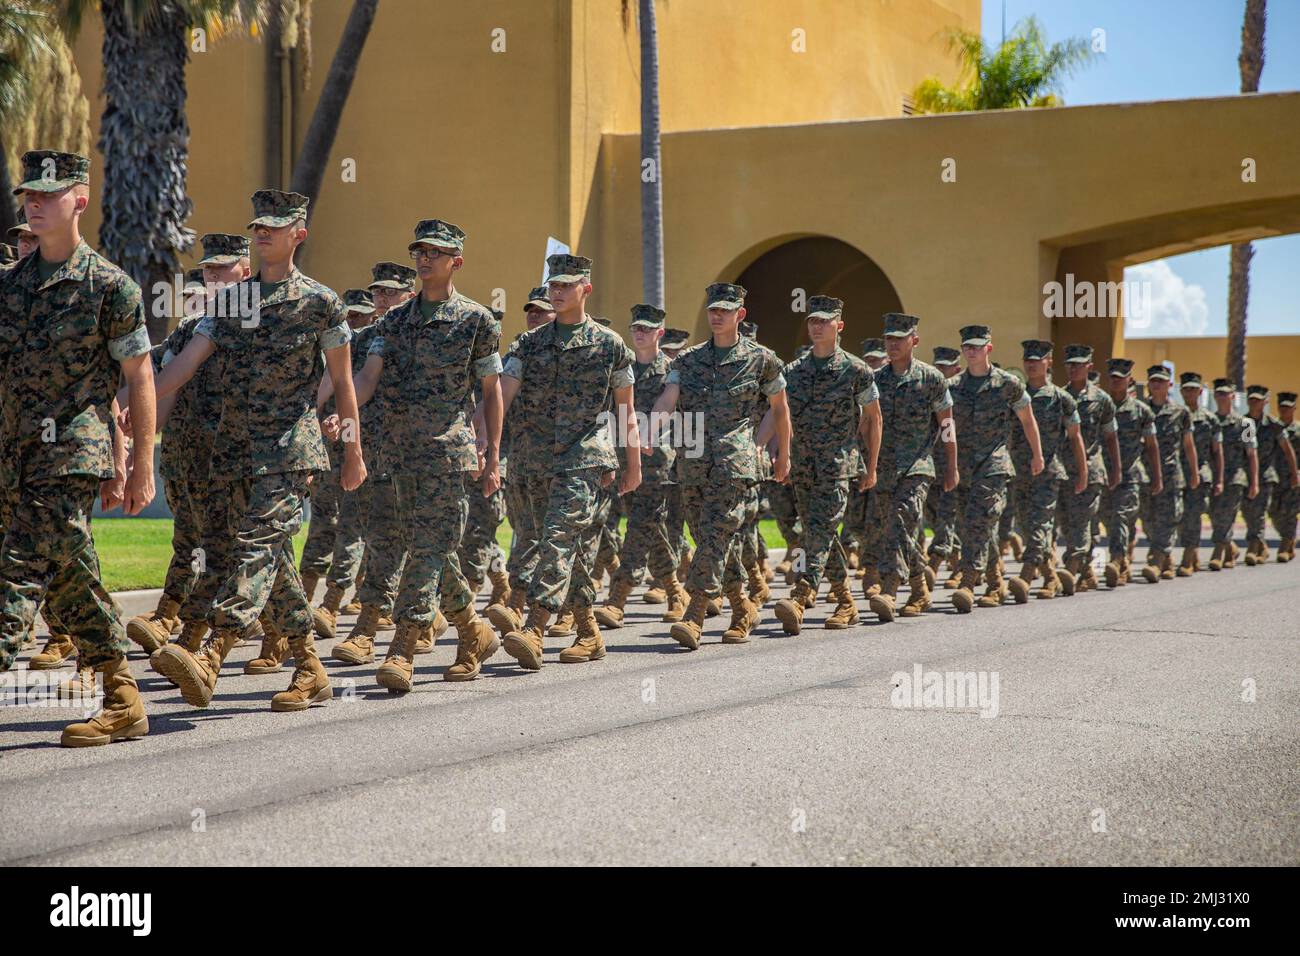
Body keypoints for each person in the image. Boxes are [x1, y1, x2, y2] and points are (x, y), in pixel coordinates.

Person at [148, 189, 365, 712]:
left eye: (273, 226)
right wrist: (141, 401)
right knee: (272, 561)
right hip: (234, 452)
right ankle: (310, 668)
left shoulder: (320, 302)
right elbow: (184, 366)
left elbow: (343, 381)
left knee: (253, 544)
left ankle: (211, 654)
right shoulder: (230, 301)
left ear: (299, 234)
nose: (261, 232)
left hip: (291, 451)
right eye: (257, 225)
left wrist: (354, 451)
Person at [0, 149, 158, 746]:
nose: (34, 204)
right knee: (69, 574)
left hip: (70, 453)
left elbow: (139, 377)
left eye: (48, 194)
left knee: (15, 569)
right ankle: (122, 695)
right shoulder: (10, 286)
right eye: (28, 196)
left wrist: (139, 462)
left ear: (80, 201)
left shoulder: (110, 287)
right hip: (11, 454)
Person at [347, 219, 503, 685]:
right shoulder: (393, 321)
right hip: (398, 455)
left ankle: (401, 649)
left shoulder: (477, 320)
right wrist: (344, 410)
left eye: (435, 252)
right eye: (420, 250)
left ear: (456, 260)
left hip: (446, 454)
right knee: (430, 549)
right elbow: (367, 378)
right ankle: (473, 630)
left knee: (427, 551)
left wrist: (491, 456)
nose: (424, 258)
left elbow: (491, 392)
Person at [497, 254, 641, 666]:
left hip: (584, 458)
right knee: (565, 546)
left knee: (558, 537)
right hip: (536, 461)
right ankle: (588, 631)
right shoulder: (529, 343)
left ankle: (536, 627)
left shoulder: (610, 345)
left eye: (565, 286)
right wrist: (485, 439)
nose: (556, 293)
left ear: (585, 289)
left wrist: (634, 463)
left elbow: (625, 410)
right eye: (552, 286)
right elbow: (503, 395)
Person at [651, 282, 789, 648]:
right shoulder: (688, 360)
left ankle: (695, 613)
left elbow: (779, 411)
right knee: (709, 537)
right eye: (713, 309)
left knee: (715, 533)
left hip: (735, 463)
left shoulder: (762, 359)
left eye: (725, 310)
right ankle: (743, 608)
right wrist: (650, 430)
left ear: (740, 315)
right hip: (693, 461)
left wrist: (774, 451)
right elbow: (669, 397)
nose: (717, 315)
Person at [771, 296, 880, 633]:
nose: (816, 327)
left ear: (839, 325)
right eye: (812, 321)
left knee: (817, 531)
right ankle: (846, 603)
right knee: (823, 533)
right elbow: (779, 416)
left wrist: (872, 467)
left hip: (837, 465)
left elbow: (874, 419)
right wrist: (781, 454)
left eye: (824, 321)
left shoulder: (855, 370)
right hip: (804, 466)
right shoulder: (794, 371)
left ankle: (801, 596)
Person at [594, 304, 686, 628]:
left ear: (660, 333)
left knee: (638, 529)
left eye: (647, 328)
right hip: (624, 459)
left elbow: (683, 417)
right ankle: (676, 590)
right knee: (649, 527)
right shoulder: (624, 367)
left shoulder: (673, 371)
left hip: (659, 464)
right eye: (636, 327)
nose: (639, 333)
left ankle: (617, 599)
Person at [863, 314, 955, 622]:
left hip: (917, 467)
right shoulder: (876, 380)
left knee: (901, 522)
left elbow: (947, 426)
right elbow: (866, 424)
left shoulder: (931, 379)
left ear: (914, 340)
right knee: (899, 530)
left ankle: (890, 589)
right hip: (884, 469)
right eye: (888, 339)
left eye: (899, 339)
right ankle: (919, 589)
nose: (892, 344)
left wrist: (952, 466)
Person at [946, 325, 1042, 613]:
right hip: (964, 466)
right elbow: (946, 427)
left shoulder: (1008, 384)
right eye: (967, 346)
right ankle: (995, 581)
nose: (971, 351)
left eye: (977, 346)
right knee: (973, 526)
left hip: (994, 463)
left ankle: (968, 581)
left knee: (979, 519)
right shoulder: (953, 387)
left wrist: (1037, 455)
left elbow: (1027, 420)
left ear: (989, 348)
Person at [1007, 340, 1085, 602]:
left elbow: (1075, 438)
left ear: (1048, 362)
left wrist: (1083, 472)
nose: (1031, 364)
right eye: (1027, 359)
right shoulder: (1016, 395)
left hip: (1049, 472)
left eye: (1037, 359)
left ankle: (1027, 575)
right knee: (1028, 527)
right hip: (1020, 471)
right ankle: (1051, 577)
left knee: (1040, 524)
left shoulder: (1062, 399)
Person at [1099, 358, 1160, 588]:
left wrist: (1157, 476)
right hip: (1103, 473)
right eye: (1112, 376)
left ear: (1129, 380)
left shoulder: (1141, 411)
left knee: (1119, 517)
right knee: (1108, 518)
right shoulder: (1100, 406)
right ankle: (1123, 563)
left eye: (1120, 377)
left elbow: (1152, 445)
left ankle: (1116, 560)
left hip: (1131, 475)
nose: (1116, 380)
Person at [1139, 364, 1198, 583]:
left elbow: (1188, 445)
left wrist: (1194, 472)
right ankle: (1166, 559)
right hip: (1145, 474)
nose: (1156, 384)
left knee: (1169, 517)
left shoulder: (1180, 412)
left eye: (1160, 381)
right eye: (1153, 381)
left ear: (1169, 385)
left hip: (1172, 473)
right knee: (1148, 519)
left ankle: (1156, 561)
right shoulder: (1140, 409)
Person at [1242, 385, 1298, 565]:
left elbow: (1288, 450)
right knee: (1250, 511)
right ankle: (1261, 546)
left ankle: (1257, 545)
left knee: (1261, 511)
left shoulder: (1273, 424)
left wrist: (1294, 472)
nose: (1254, 403)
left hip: (1267, 475)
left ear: (1265, 401)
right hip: (1248, 475)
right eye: (1251, 399)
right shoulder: (1246, 423)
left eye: (1258, 400)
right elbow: (1247, 451)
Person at [1174, 372, 1222, 575]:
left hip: (1201, 473)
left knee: (1194, 515)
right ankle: (1191, 553)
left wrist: (1219, 479)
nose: (1190, 393)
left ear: (1201, 391)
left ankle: (1193, 555)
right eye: (1186, 389)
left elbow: (1217, 452)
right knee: (1178, 515)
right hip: (1176, 473)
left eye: (1194, 389)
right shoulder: (1174, 415)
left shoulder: (1212, 420)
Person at [1207, 379, 1258, 570]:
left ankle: (1219, 551)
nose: (1221, 397)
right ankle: (1231, 548)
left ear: (1233, 396)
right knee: (1214, 514)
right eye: (1218, 393)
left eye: (1225, 393)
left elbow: (1252, 454)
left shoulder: (1246, 424)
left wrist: (1254, 482)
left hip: (1236, 476)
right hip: (1213, 476)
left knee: (1227, 514)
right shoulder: (1210, 421)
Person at [1269, 392, 1299, 562]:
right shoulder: (1272, 428)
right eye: (1282, 407)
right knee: (1274, 511)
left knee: (1290, 511)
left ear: (1294, 408)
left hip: (1293, 477)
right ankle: (1288, 539)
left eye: (1288, 407)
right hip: (1274, 476)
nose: (1284, 410)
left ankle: (1286, 544)